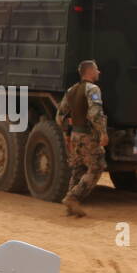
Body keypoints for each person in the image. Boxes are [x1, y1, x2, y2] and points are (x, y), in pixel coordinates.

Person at [55, 59, 108, 217]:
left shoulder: (71, 90)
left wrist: (66, 132)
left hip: (75, 135)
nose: (99, 72)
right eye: (97, 70)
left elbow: (59, 116)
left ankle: (70, 207)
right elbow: (95, 114)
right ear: (90, 72)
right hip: (88, 136)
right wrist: (103, 133)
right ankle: (73, 197)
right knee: (97, 166)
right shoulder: (93, 89)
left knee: (78, 169)